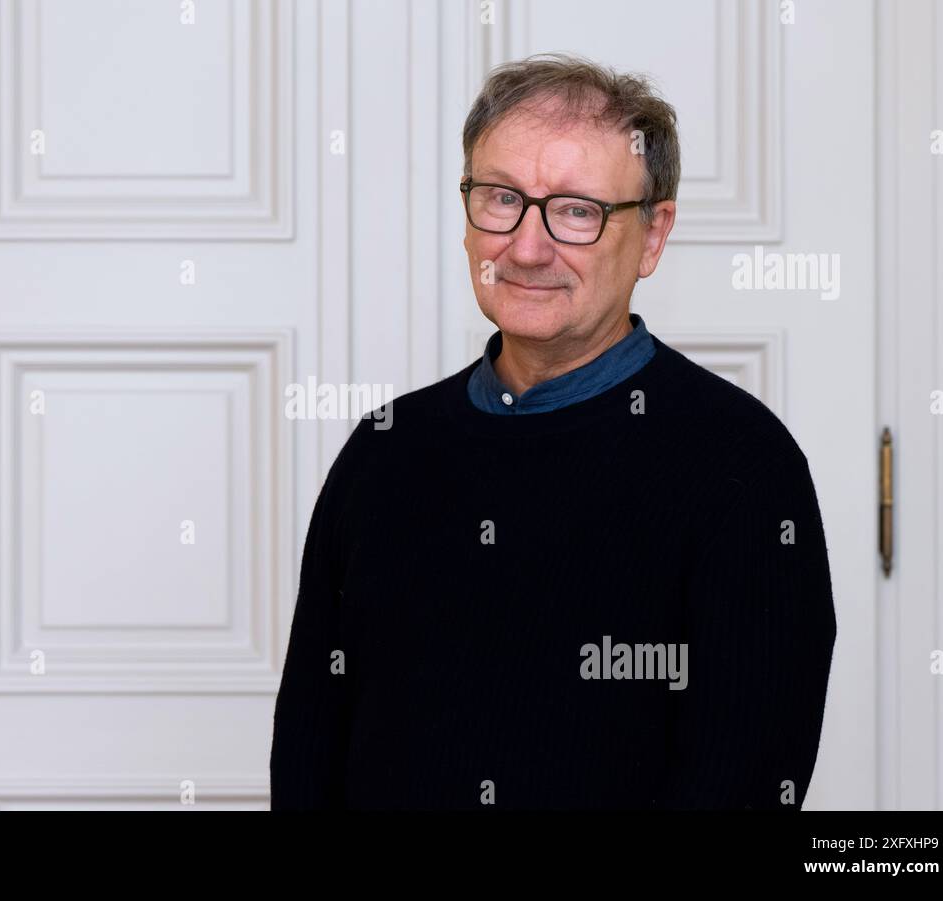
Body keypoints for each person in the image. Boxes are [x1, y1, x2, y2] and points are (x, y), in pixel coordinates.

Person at [270, 53, 837, 810]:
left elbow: (743, 784)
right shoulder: (385, 447)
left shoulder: (742, 467)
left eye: (576, 209)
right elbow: (310, 745)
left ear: (652, 234)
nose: (527, 247)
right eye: (503, 198)